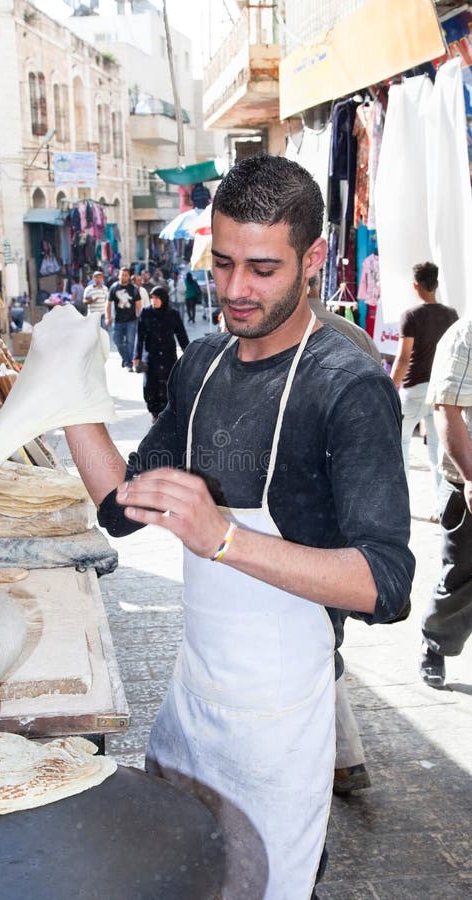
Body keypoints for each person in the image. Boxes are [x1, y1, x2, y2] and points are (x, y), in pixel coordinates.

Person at [64, 155, 414, 899]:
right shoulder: (201, 365)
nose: (232, 290)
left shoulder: (346, 388)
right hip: (194, 706)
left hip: (280, 728)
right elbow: (122, 508)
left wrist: (224, 538)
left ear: (312, 258)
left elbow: (386, 582)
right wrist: (64, 401)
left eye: (261, 269)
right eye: (221, 263)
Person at [308, 272, 379, 796]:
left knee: (314, 632)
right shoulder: (356, 337)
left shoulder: (277, 339)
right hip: (341, 510)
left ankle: (337, 755)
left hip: (308, 514)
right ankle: (343, 754)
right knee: (321, 627)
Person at [420, 318, 472, 688]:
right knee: (461, 578)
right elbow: (446, 408)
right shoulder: (464, 335)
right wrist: (470, 476)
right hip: (465, 482)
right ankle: (434, 643)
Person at [390, 262, 458, 517]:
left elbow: (404, 358)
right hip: (440, 390)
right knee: (437, 451)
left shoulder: (411, 316)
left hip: (413, 389)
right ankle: (441, 508)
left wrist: (390, 384)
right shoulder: (451, 315)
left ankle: (400, 506)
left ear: (416, 285)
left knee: (400, 444)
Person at [133, 285, 189, 423]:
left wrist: (189, 353)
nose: (154, 301)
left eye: (157, 298)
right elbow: (139, 336)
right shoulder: (145, 313)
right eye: (152, 298)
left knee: (167, 385)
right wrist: (137, 356)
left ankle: (165, 413)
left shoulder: (173, 314)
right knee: (149, 386)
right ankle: (154, 412)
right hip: (150, 356)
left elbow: (181, 335)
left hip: (168, 355)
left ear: (164, 299)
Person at [105, 266, 141, 372]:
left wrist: (141, 317)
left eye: (126, 275)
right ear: (118, 275)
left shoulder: (133, 289)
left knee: (131, 342)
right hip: (118, 320)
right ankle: (126, 358)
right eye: (122, 275)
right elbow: (108, 303)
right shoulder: (114, 288)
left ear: (129, 276)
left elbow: (138, 304)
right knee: (117, 340)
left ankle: (129, 364)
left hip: (132, 320)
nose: (124, 277)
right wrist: (108, 317)